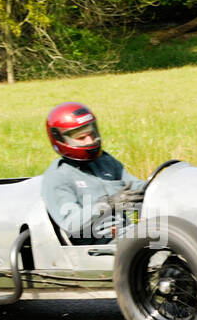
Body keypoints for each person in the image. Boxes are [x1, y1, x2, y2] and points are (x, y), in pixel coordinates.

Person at [41, 102, 146, 243]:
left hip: (128, 235)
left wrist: (157, 188)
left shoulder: (105, 161)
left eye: (91, 133)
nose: (90, 141)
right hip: (97, 248)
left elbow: (135, 187)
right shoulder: (58, 177)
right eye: (80, 137)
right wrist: (107, 204)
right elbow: (70, 223)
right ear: (60, 139)